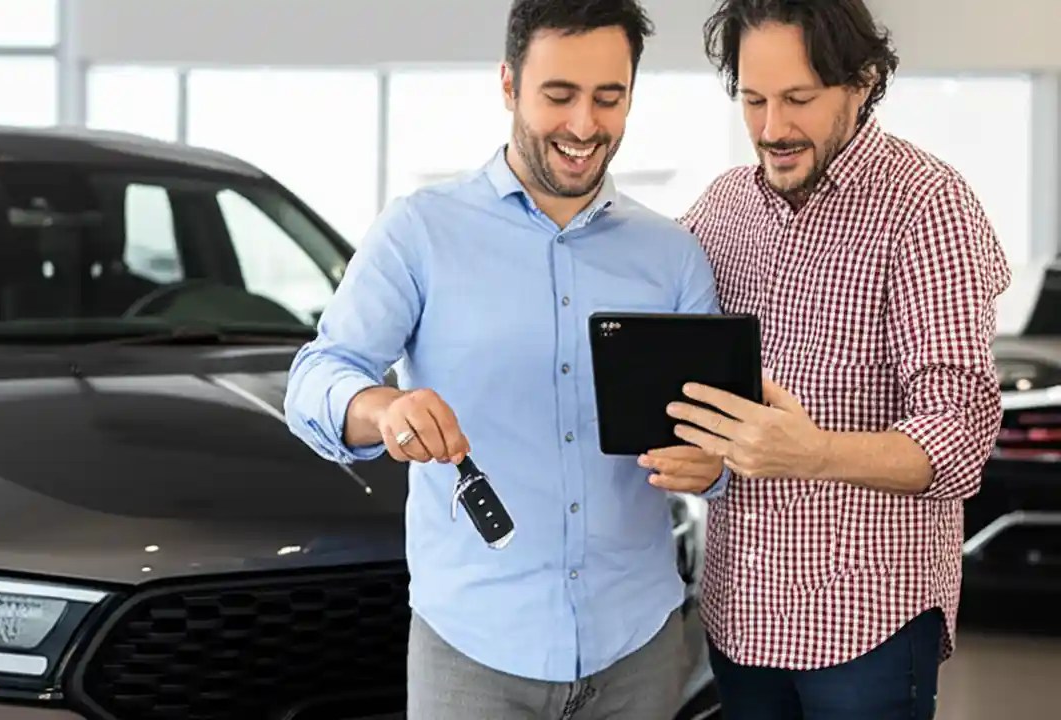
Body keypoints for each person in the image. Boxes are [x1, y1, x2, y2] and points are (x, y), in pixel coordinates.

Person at [284, 1, 730, 717]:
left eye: (608, 99)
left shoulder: (672, 256)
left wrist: (714, 468)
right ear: (508, 85)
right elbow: (316, 379)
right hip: (472, 651)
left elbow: (719, 438)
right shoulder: (420, 232)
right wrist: (384, 411)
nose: (584, 126)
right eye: (559, 95)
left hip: (637, 648)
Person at [666, 1, 1012, 718]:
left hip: (867, 629)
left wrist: (813, 451)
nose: (771, 129)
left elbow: (961, 436)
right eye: (753, 100)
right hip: (741, 615)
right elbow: (666, 355)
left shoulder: (928, 207)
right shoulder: (723, 207)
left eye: (798, 99)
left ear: (862, 81)